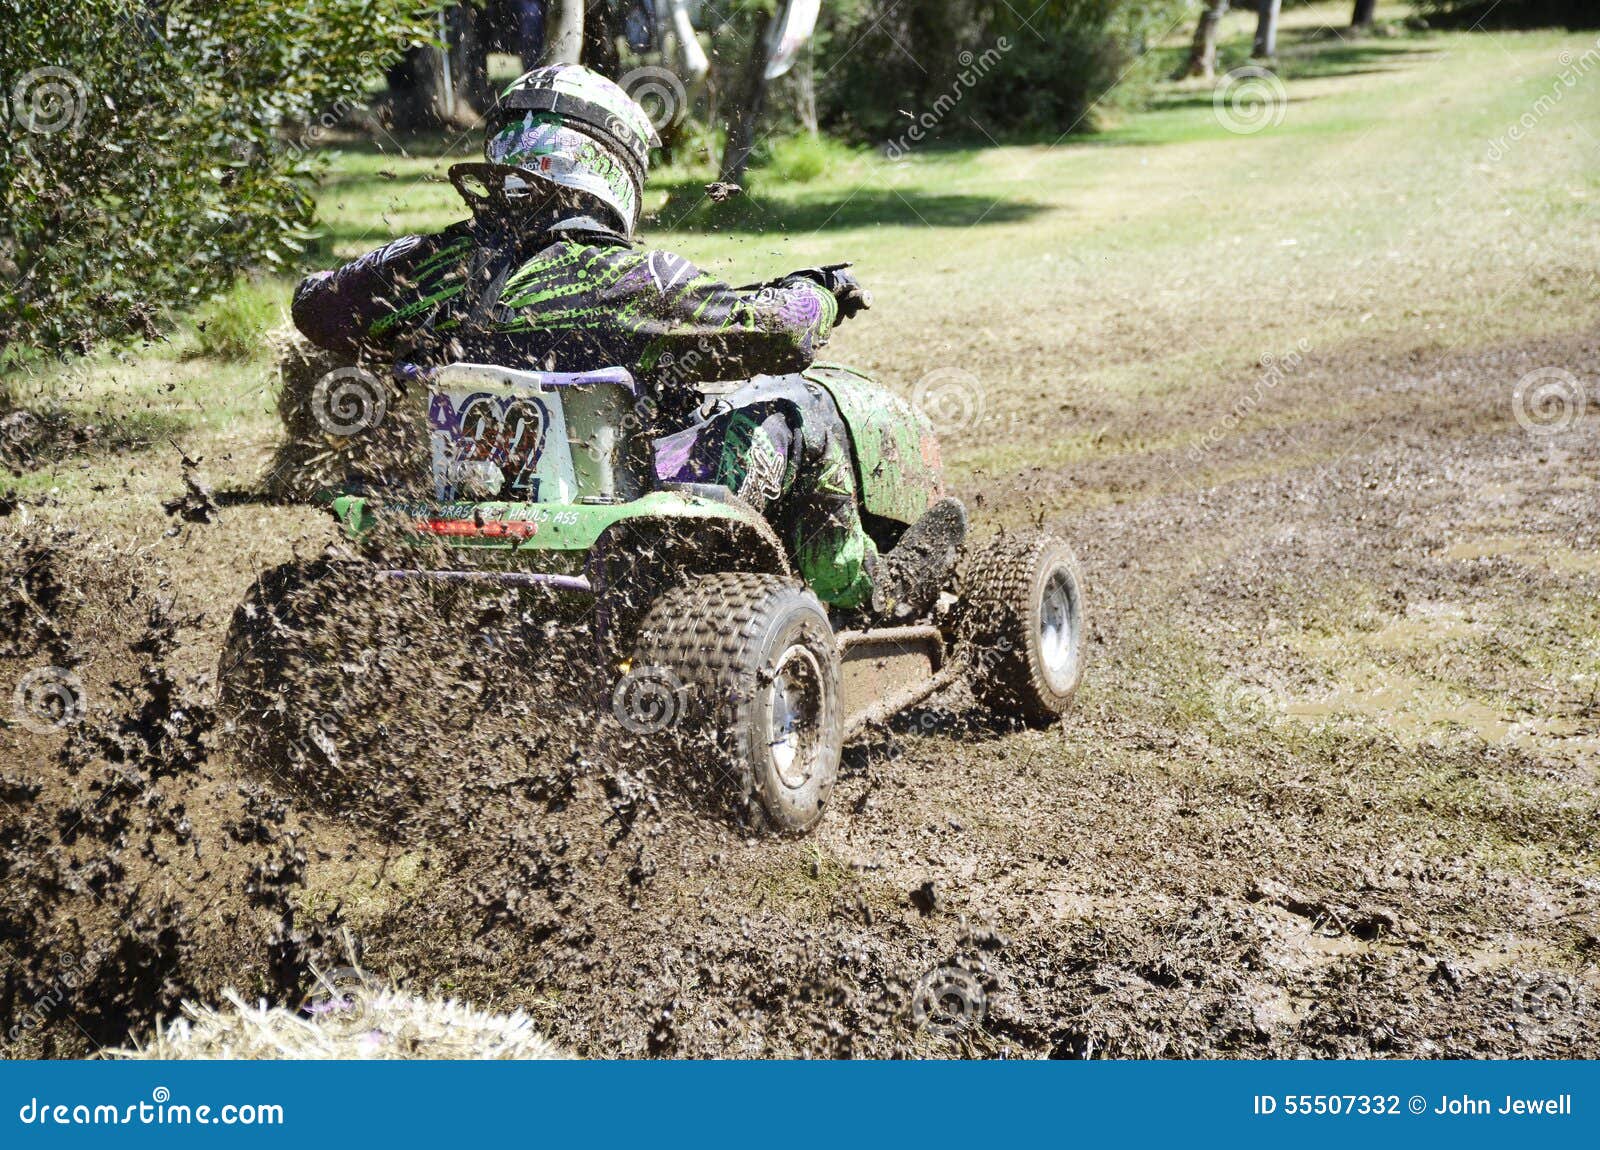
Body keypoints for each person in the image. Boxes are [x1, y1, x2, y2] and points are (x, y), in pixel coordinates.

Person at [292, 64, 960, 619]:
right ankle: (869, 591)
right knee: (804, 411)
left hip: (454, 511)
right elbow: (781, 330)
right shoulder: (629, 277)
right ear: (609, 166)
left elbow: (314, 306)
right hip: (616, 517)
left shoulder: (428, 269)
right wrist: (822, 289)